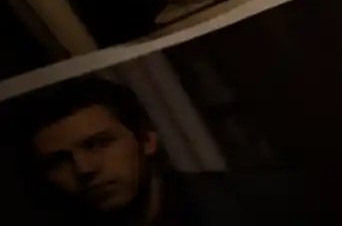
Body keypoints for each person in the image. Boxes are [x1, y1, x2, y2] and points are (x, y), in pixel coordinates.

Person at [17, 76, 322, 225]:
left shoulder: (269, 203)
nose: (84, 169)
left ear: (147, 139)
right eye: (58, 161)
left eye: (97, 144)